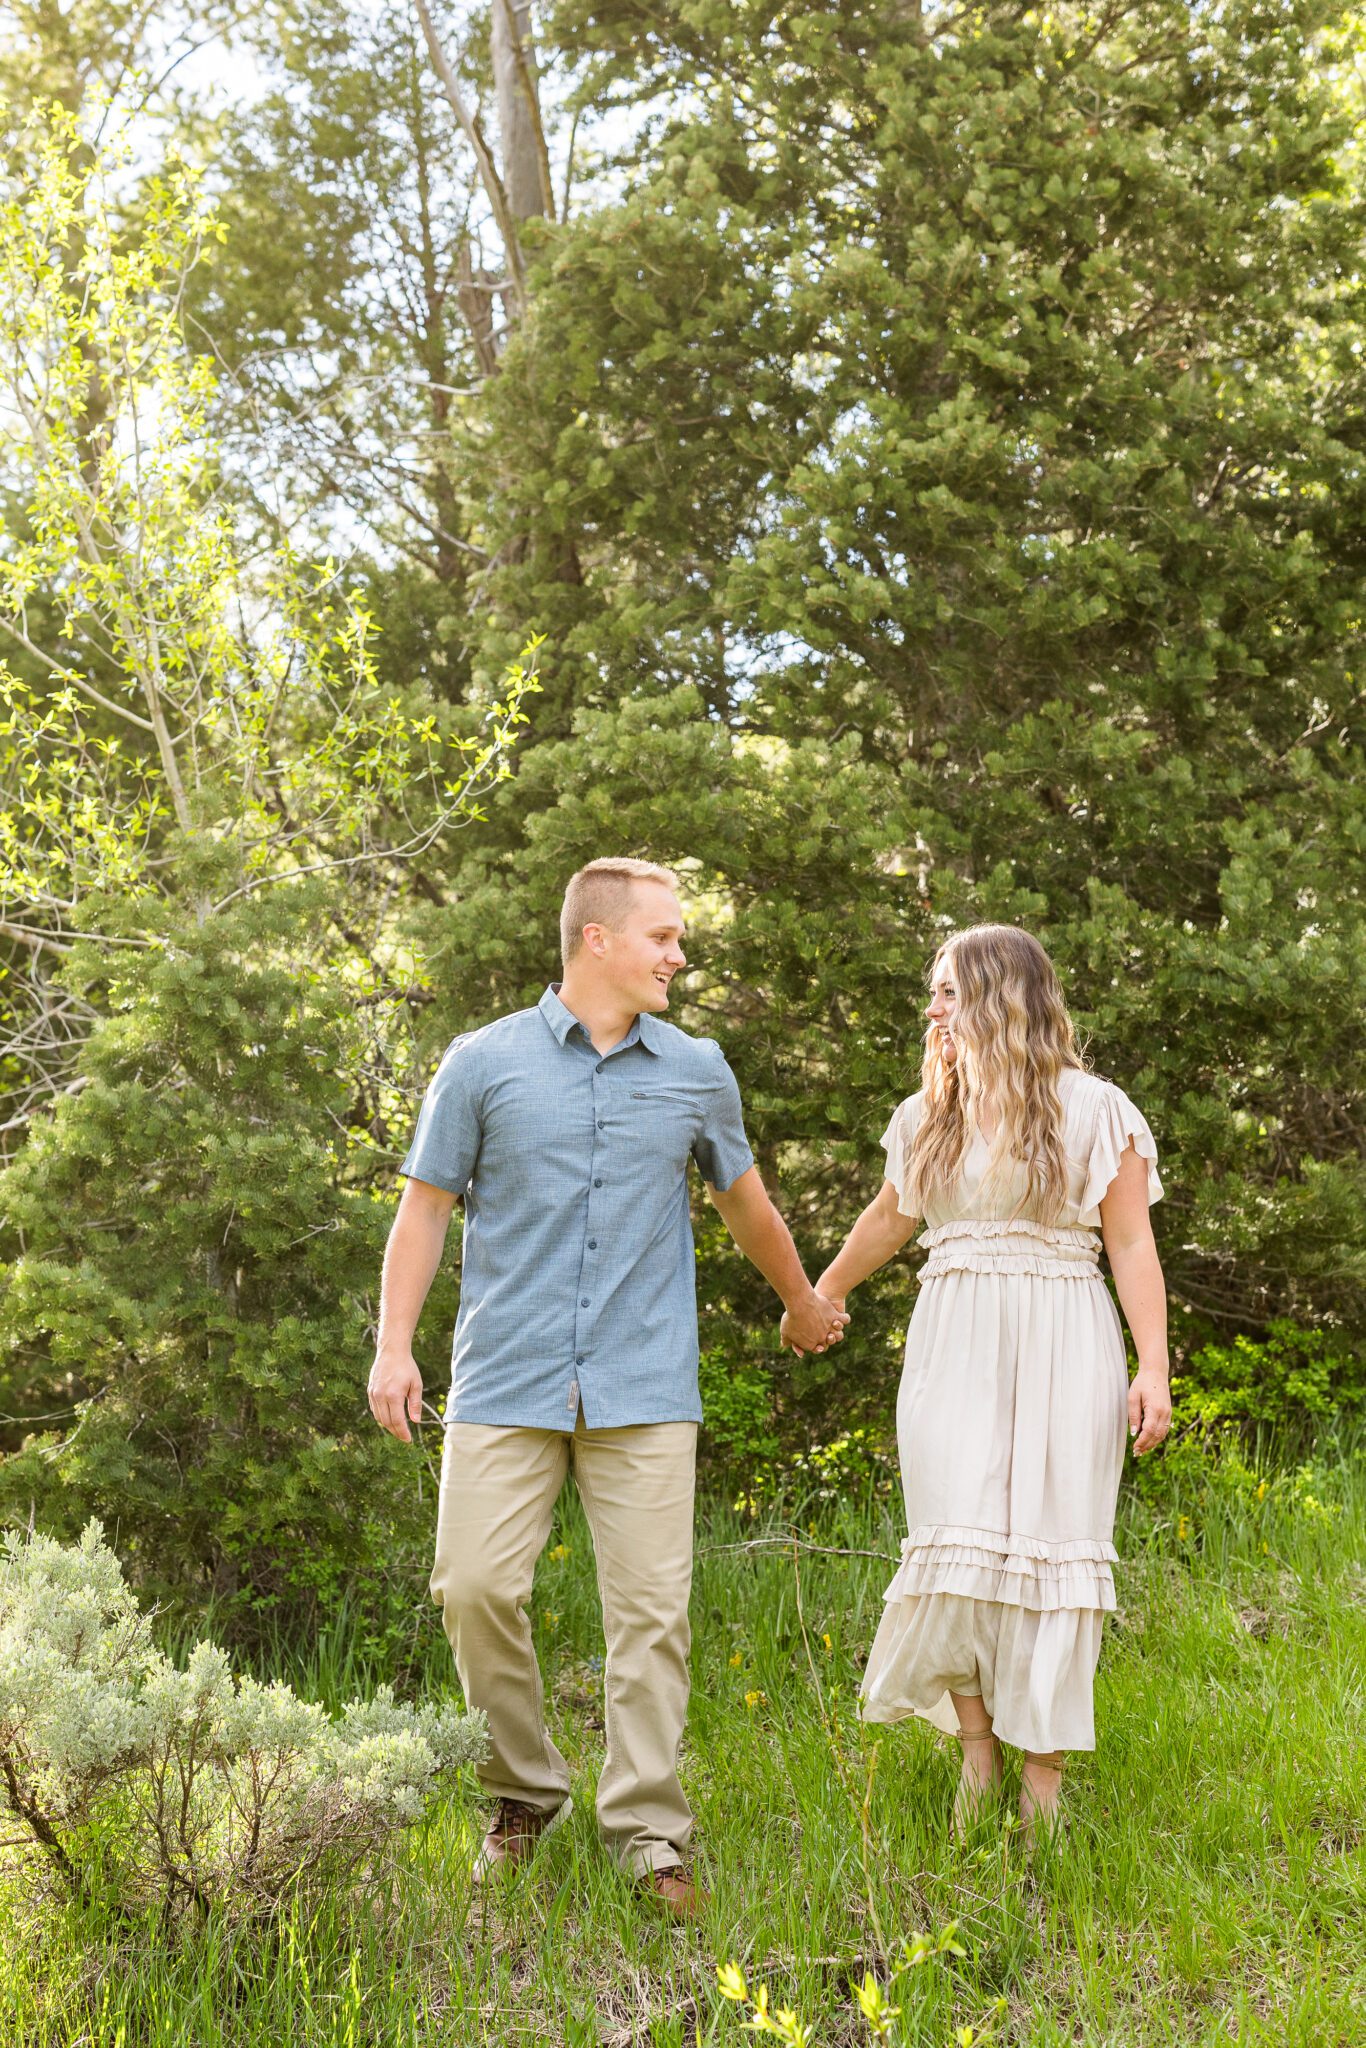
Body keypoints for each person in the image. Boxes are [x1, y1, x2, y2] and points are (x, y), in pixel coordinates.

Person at [367, 857, 847, 1916]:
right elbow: (424, 1210)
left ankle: (647, 1829)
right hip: (506, 1376)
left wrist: (805, 1299)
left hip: (643, 1382)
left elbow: (746, 1204)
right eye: (663, 935)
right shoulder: (481, 1062)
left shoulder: (696, 1068)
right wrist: (394, 1346)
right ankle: (525, 1789)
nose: (680, 953)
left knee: (649, 1615)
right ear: (597, 939)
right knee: (474, 1586)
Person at [805, 924, 1170, 1846]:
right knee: (955, 1543)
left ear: (1002, 997)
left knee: (1055, 1542)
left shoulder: (1096, 1110)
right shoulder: (927, 1115)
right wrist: (824, 1292)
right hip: (952, 1342)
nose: (931, 1008)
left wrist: (1154, 1368)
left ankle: (1041, 1776)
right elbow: (891, 1217)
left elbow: (1131, 1244)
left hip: (1063, 1336)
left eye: (946, 991)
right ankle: (977, 1749)